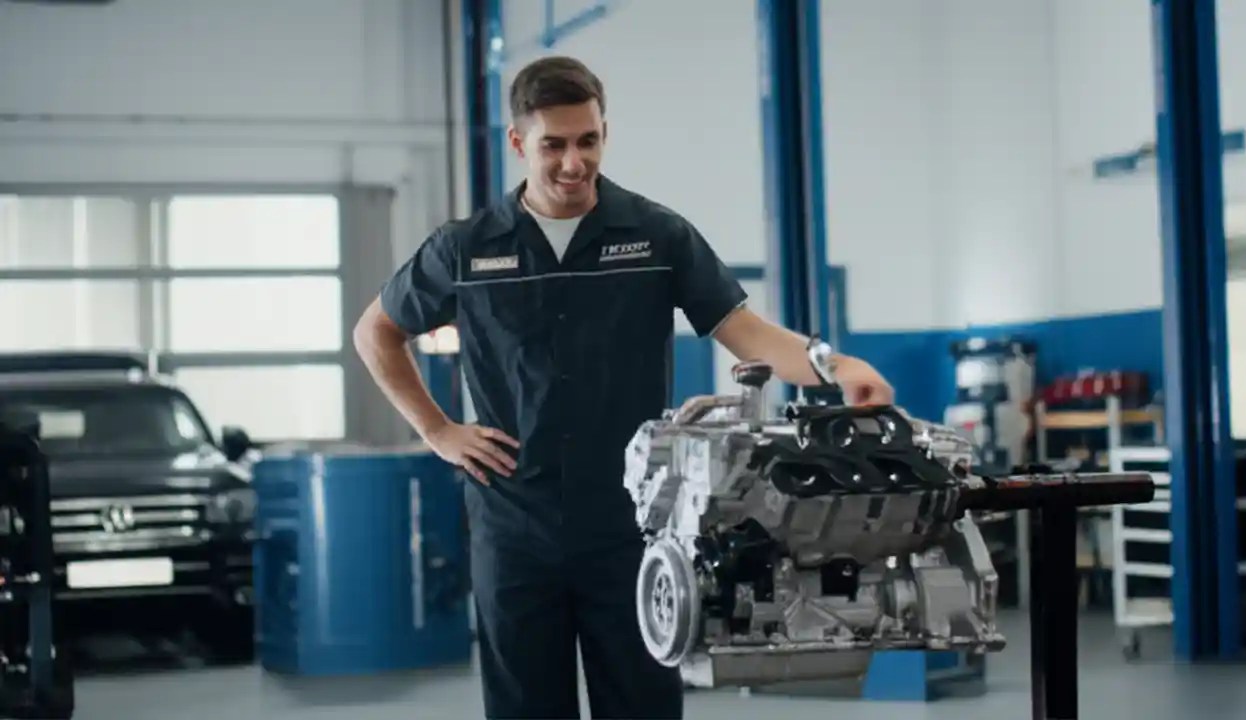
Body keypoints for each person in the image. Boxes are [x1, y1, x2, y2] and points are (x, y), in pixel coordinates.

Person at [353, 55, 895, 720]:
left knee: (642, 705)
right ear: (519, 142)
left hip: (633, 526)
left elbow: (748, 333)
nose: (574, 162)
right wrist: (436, 429)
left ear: (605, 133)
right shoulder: (466, 249)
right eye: (554, 145)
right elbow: (375, 333)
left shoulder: (656, 236)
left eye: (588, 140)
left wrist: (835, 366)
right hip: (513, 526)